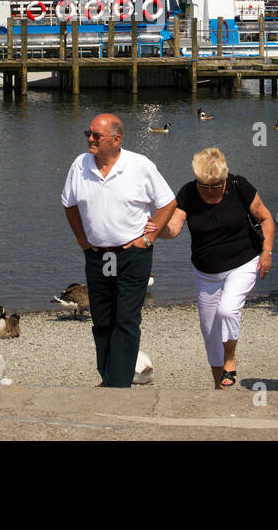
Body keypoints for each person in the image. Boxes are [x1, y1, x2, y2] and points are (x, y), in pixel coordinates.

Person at [61, 113, 177, 387]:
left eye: (96, 136)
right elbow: (69, 204)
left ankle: (120, 384)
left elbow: (168, 202)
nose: (90, 139)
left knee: (126, 318)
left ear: (116, 140)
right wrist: (82, 240)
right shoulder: (80, 165)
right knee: (102, 318)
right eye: (87, 134)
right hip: (98, 255)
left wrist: (149, 238)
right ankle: (108, 377)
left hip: (132, 254)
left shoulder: (139, 165)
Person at [160, 147, 274, 388]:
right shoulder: (189, 192)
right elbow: (174, 228)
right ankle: (218, 385)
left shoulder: (238, 185)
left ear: (224, 178)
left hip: (242, 262)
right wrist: (154, 229)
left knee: (228, 310)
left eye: (215, 185)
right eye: (205, 185)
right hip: (205, 272)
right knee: (210, 332)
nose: (210, 190)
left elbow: (265, 217)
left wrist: (267, 252)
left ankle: (230, 360)